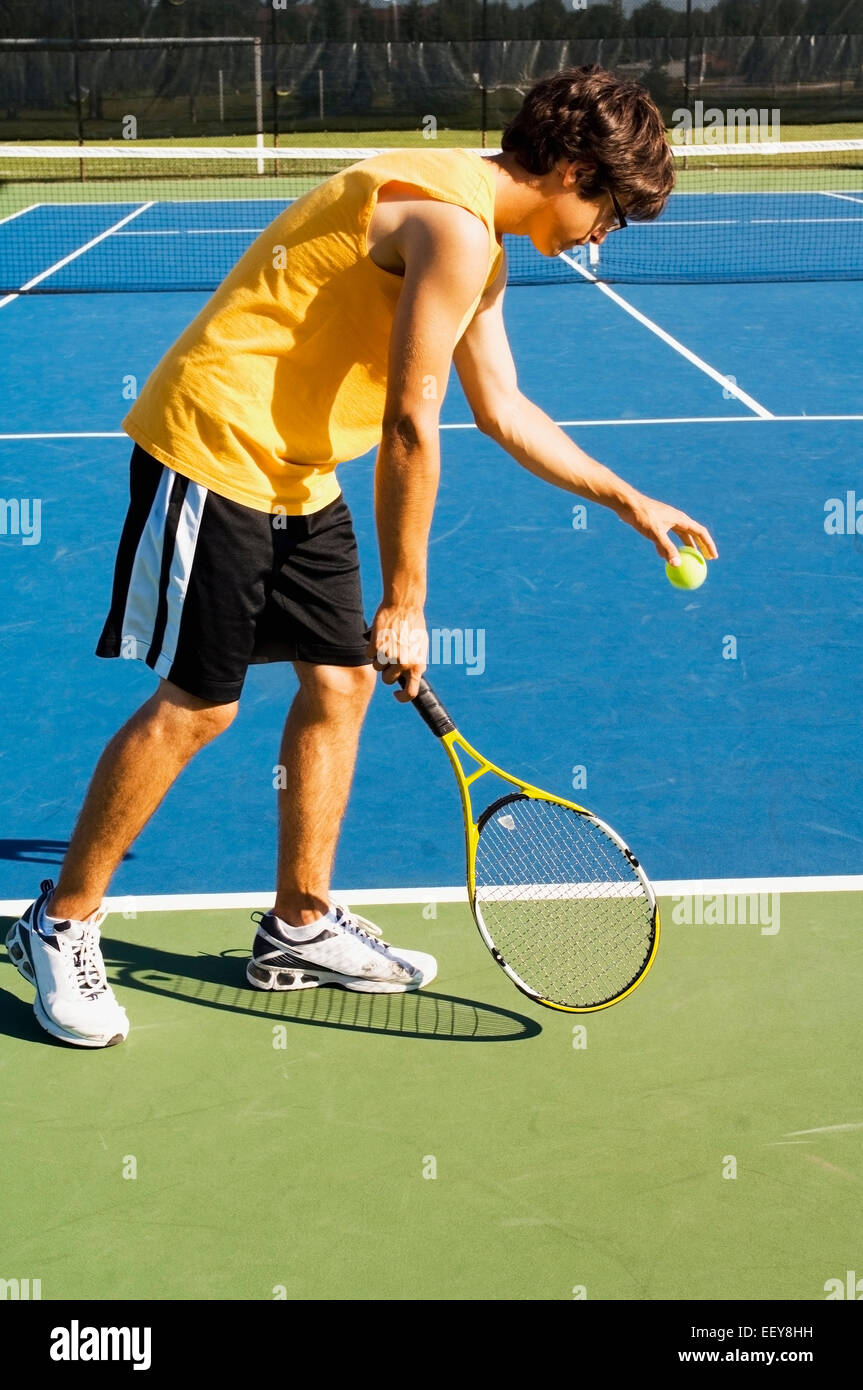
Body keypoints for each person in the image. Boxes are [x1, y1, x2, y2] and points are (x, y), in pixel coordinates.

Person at [6, 66, 717, 1048]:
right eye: (605, 205)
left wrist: (629, 499)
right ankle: (60, 921)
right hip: (214, 446)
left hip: (296, 469)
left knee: (337, 687)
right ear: (562, 166)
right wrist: (405, 599)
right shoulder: (454, 228)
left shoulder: (479, 241)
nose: (606, 230)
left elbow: (500, 409)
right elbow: (409, 425)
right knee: (201, 703)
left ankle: (298, 923)